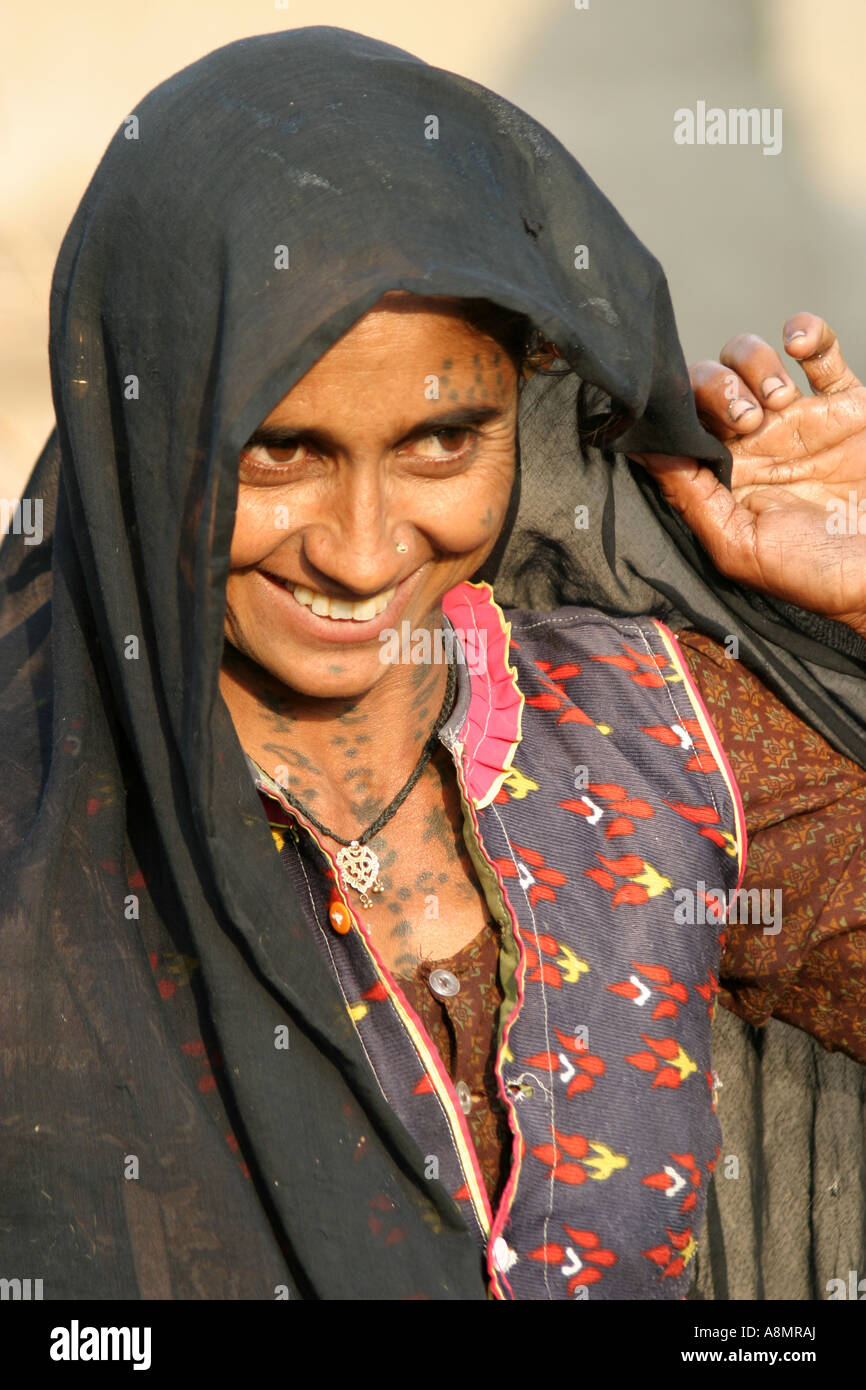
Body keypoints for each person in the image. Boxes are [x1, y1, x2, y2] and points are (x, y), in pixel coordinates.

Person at [1, 26, 864, 1301]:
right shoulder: (45, 835)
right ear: (150, 424)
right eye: (276, 453)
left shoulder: (646, 726)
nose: (358, 555)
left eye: (440, 442)